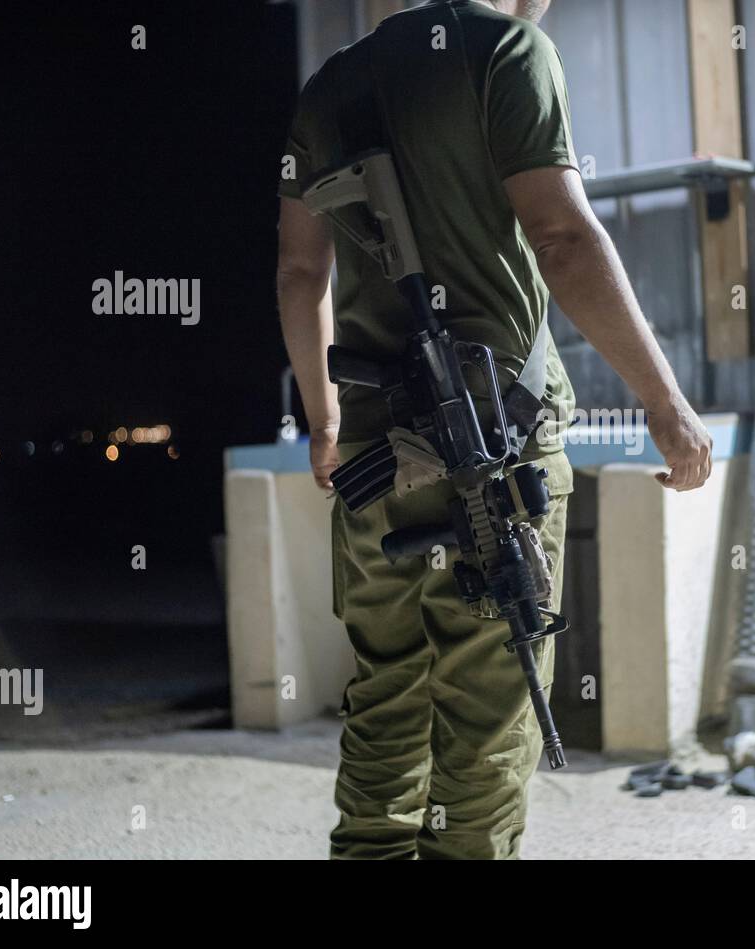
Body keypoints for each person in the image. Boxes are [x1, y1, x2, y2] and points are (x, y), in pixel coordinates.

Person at [276, 0, 711, 859]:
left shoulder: (328, 87)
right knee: (488, 715)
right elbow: (561, 236)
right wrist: (665, 405)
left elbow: (299, 270)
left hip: (373, 455)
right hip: (497, 445)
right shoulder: (507, 52)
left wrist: (325, 423)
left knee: (387, 696)